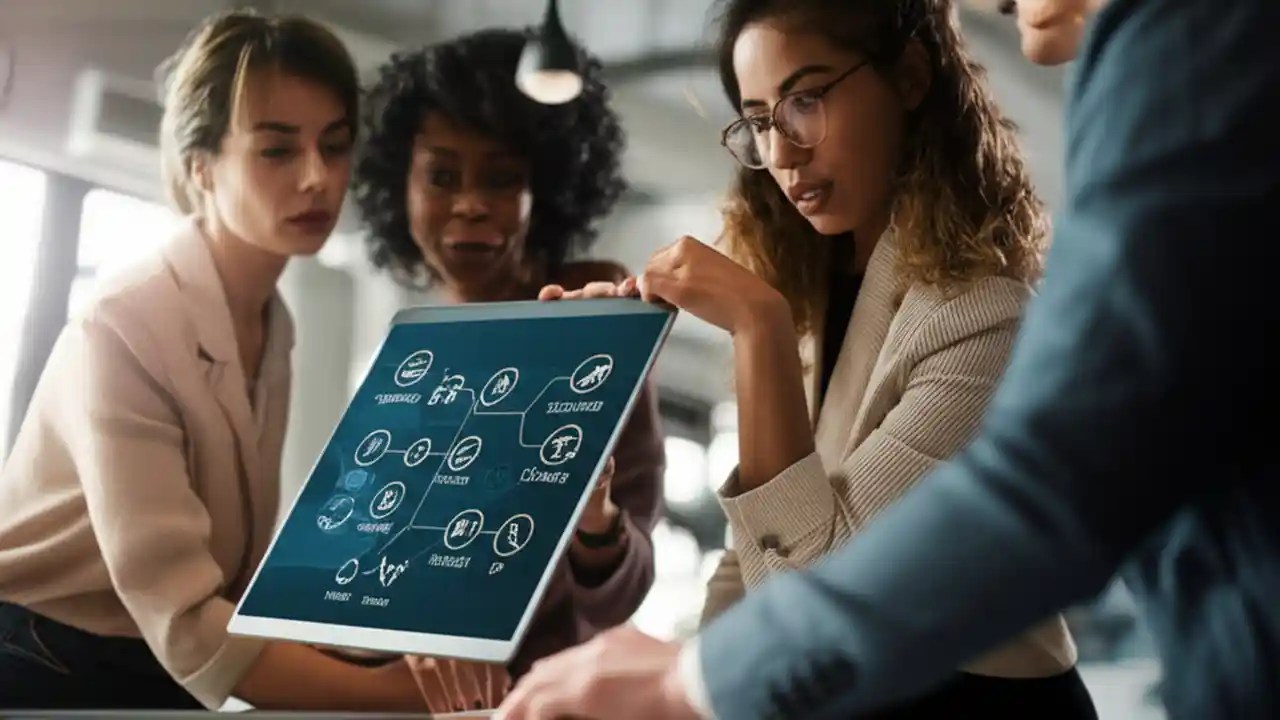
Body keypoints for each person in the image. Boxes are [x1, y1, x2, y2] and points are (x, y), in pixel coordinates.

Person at [496, 0, 1280, 718]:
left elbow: (818, 577)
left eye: (807, 100)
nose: (783, 151)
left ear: (908, 78)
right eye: (759, 120)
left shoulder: (985, 310)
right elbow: (749, 566)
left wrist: (754, 327)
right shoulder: (809, 295)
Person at [0, 10, 430, 712]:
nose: (319, 178)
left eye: (335, 144)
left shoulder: (271, 321)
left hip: (143, 666)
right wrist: (398, 694)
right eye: (277, 150)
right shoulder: (127, 323)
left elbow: (235, 580)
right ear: (201, 165)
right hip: (42, 660)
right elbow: (190, 626)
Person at [352, 27, 666, 710]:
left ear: (545, 193)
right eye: (441, 176)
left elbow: (623, 590)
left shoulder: (598, 327)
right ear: (399, 188)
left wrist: (596, 515)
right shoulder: (407, 355)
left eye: (501, 179)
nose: (469, 203)